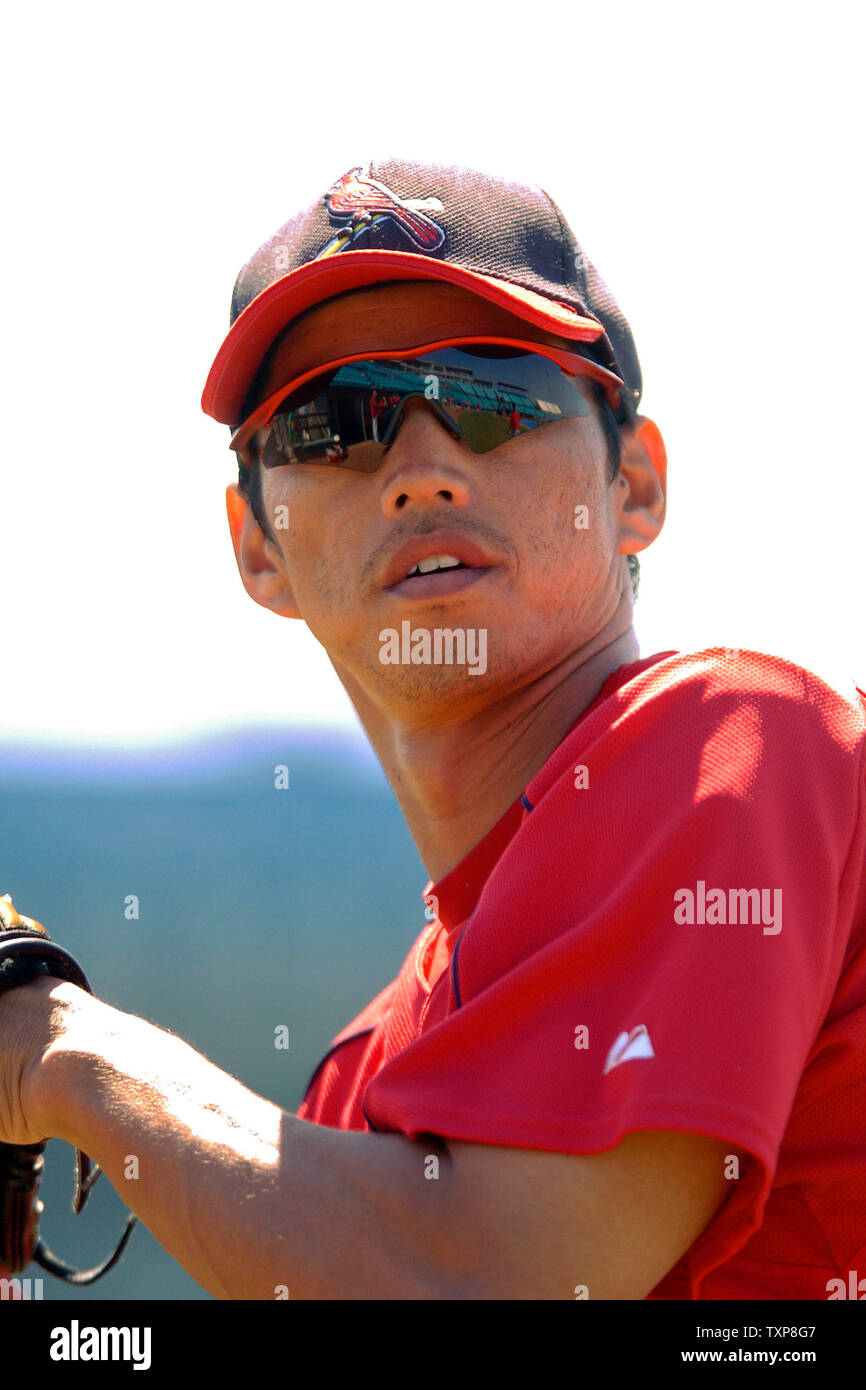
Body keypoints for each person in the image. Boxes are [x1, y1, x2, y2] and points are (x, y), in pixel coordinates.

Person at [1, 157, 864, 1302]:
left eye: (493, 396)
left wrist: (57, 1049)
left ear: (634, 487)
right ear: (258, 546)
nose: (418, 469)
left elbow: (494, 1285)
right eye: (331, 425)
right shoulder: (360, 1098)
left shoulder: (740, 742)